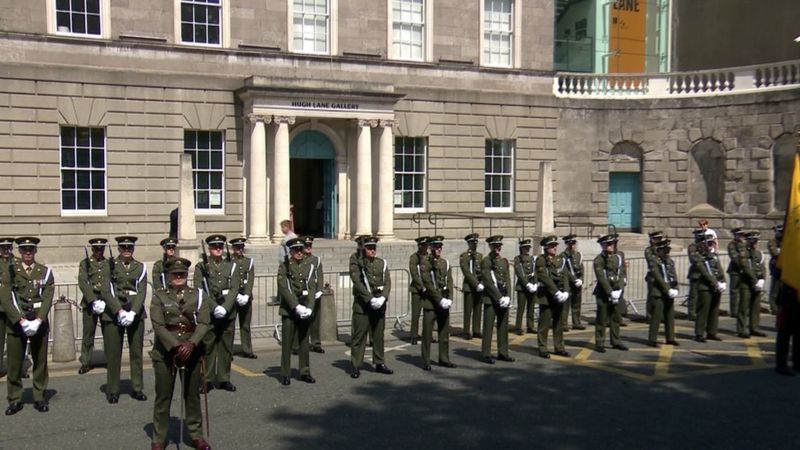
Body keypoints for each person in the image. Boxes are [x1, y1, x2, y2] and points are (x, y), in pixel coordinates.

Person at [149, 257, 211, 450]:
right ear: (168, 276)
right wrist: (176, 345)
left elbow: (204, 323)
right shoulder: (159, 296)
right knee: (163, 396)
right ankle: (159, 438)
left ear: (187, 275)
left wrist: (191, 344)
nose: (178, 277)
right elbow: (158, 326)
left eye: (182, 274)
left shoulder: (198, 295)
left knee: (192, 396)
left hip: (191, 351)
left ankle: (196, 436)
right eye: (175, 274)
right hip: (166, 353)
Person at [2, 237, 54, 415]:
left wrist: (39, 320)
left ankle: (39, 396)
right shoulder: (10, 271)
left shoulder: (44, 272)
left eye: (31, 249)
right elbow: (6, 298)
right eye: (24, 250)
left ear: (35, 251)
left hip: (38, 323)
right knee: (14, 364)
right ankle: (15, 398)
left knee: (40, 362)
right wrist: (20, 321)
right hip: (18, 324)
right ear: (20, 252)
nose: (28, 253)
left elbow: (47, 298)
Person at [195, 235, 241, 392]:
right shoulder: (201, 267)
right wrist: (215, 307)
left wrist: (226, 307)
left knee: (226, 347)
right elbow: (199, 290)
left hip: (228, 313)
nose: (218, 249)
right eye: (215, 247)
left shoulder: (232, 266)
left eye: (220, 246)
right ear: (209, 249)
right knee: (208, 347)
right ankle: (206, 380)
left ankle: (224, 378)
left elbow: (235, 288)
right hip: (210, 313)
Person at [106, 235, 148, 403]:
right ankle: (113, 389)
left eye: (129, 248)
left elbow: (142, 291)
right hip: (114, 314)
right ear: (118, 249)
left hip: (135, 314)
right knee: (114, 354)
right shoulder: (109, 266)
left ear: (133, 249)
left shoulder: (140, 267)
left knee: (136, 353)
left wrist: (133, 312)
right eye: (123, 248)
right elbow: (106, 290)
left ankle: (137, 387)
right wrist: (119, 311)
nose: (126, 251)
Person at [349, 236, 393, 378]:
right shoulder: (357, 261)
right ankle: (356, 365)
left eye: (374, 248)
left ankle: (379, 362)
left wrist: (383, 298)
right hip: (363, 305)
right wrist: (370, 299)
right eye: (369, 248)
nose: (373, 250)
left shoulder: (381, 263)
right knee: (359, 336)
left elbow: (387, 282)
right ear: (363, 249)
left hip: (379, 304)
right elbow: (357, 282)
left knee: (378, 335)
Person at [277, 238, 318, 385]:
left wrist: (310, 307)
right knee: (287, 343)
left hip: (305, 308)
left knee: (304, 343)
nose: (299, 253)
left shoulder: (310, 266)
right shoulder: (284, 267)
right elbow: (284, 288)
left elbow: (313, 288)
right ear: (291, 251)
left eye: (301, 249)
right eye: (296, 250)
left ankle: (304, 371)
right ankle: (285, 373)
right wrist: (296, 306)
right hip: (290, 310)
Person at [77, 238, 114, 375]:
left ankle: (111, 360)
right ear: (92, 249)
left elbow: (112, 281)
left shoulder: (109, 263)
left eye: (101, 249)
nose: (99, 252)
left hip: (106, 302)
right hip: (90, 303)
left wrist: (107, 299)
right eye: (96, 249)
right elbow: (83, 283)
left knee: (109, 333)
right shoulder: (85, 263)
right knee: (88, 334)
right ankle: (86, 362)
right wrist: (93, 300)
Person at [418, 236, 455, 371]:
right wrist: (439, 299)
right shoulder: (425, 262)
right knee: (427, 333)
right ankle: (426, 360)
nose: (438, 249)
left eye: (440, 247)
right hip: (431, 303)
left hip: (444, 302)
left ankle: (444, 358)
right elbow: (427, 282)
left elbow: (449, 281)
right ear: (431, 247)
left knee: (444, 333)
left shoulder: (445, 262)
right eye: (436, 246)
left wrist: (450, 298)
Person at [480, 235, 514, 364]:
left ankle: (503, 352)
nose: (497, 248)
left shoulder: (503, 261)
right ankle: (486, 353)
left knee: (503, 326)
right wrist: (499, 297)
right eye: (495, 246)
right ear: (490, 246)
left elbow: (507, 279)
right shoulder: (487, 261)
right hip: (491, 298)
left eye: (499, 246)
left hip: (503, 298)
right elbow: (488, 281)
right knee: (488, 326)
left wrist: (508, 297)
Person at [535, 235, 570, 358]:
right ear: (545, 247)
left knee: (558, 323)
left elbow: (565, 275)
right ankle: (542, 347)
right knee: (544, 324)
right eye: (552, 245)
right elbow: (544, 277)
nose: (555, 247)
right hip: (547, 296)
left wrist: (566, 291)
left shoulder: (560, 260)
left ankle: (559, 347)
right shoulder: (541, 260)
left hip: (559, 296)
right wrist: (555, 292)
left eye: (555, 245)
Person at [593, 234, 628, 352]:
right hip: (603, 292)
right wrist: (610, 292)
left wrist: (619, 289)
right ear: (602, 246)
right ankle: (600, 342)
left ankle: (616, 340)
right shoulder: (599, 259)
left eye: (612, 243)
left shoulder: (618, 257)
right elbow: (601, 277)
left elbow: (622, 273)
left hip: (616, 291)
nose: (611, 246)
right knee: (602, 319)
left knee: (615, 318)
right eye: (608, 244)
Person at [646, 239, 680, 347]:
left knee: (670, 316)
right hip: (658, 292)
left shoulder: (669, 261)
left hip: (669, 291)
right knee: (656, 317)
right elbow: (658, 277)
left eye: (668, 250)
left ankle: (670, 338)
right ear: (659, 251)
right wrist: (667, 289)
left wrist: (676, 288)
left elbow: (673, 275)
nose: (667, 253)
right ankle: (652, 339)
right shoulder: (654, 261)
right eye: (665, 251)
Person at [693, 234, 726, 342]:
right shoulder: (699, 257)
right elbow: (704, 272)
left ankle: (712, 332)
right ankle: (699, 333)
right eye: (709, 243)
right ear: (703, 245)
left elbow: (719, 269)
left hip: (716, 287)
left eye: (712, 243)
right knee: (703, 311)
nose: (711, 246)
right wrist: (716, 283)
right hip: (705, 287)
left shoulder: (714, 256)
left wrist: (723, 282)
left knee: (714, 310)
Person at [736, 231, 767, 338]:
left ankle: (754, 328)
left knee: (755, 307)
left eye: (756, 241)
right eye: (753, 241)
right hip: (746, 283)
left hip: (757, 283)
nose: (755, 243)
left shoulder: (759, 253)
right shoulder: (743, 253)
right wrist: (755, 281)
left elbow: (762, 268)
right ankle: (742, 329)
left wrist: (762, 279)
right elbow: (745, 268)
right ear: (748, 241)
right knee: (744, 307)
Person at [230, 237, 256, 359]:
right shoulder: (228, 262)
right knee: (230, 326)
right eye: (237, 248)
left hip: (246, 297)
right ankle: (228, 351)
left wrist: (246, 294)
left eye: (241, 248)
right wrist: (235, 295)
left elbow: (250, 279)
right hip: (233, 297)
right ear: (232, 249)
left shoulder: (249, 262)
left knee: (245, 325)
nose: (239, 250)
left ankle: (247, 349)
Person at [303, 236, 325, 354]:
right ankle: (300, 343)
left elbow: (319, 275)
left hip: (315, 293)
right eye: (306, 246)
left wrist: (320, 290)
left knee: (315, 319)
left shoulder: (316, 260)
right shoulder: (300, 260)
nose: (308, 248)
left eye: (310, 246)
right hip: (304, 294)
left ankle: (316, 342)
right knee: (302, 319)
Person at [459, 233, 484, 339]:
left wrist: (481, 282)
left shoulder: (479, 256)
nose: (474, 245)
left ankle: (476, 330)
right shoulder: (464, 256)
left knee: (478, 308)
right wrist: (475, 283)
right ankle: (466, 331)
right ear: (468, 243)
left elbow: (481, 270)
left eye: (475, 243)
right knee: (468, 310)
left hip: (479, 285)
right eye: (472, 243)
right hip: (469, 286)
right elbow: (466, 271)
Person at [0, 237, 17, 378]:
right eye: (3, 248)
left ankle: (17, 368)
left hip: (14, 307)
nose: (6, 251)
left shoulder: (16, 262)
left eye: (8, 248)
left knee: (15, 341)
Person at [561, 234, 586, 330]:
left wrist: (581, 280)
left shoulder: (578, 255)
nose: (572, 246)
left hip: (577, 283)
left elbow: (581, 269)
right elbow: (564, 270)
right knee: (565, 305)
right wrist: (574, 279)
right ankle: (563, 324)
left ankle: (576, 322)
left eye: (573, 243)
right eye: (569, 244)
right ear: (566, 244)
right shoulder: (563, 256)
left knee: (576, 304)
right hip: (567, 284)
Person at [408, 236, 429, 345]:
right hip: (417, 289)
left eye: (426, 246)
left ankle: (427, 334)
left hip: (429, 290)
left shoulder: (429, 257)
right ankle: (414, 335)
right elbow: (414, 273)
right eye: (423, 246)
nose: (425, 248)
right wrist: (422, 286)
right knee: (416, 314)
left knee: (428, 314)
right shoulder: (414, 257)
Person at [775, 282, 800, 376]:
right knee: (784, 333)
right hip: (787, 299)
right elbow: (778, 272)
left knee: (798, 334)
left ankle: (797, 363)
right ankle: (781, 364)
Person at [513, 238, 536, 336]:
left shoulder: (532, 259)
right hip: (522, 286)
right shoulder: (518, 259)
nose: (527, 250)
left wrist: (535, 283)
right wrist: (527, 284)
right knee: (521, 308)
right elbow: (519, 273)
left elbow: (535, 272)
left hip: (532, 285)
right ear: (521, 249)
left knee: (531, 307)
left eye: (528, 248)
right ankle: (518, 327)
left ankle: (530, 326)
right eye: (525, 248)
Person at [685, 229, 707, 321]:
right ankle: (692, 313)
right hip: (695, 273)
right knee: (693, 295)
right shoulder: (693, 247)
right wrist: (703, 257)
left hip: (704, 273)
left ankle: (700, 311)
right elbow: (694, 260)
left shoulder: (705, 246)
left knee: (702, 294)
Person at [726, 227, 747, 317]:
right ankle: (734, 311)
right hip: (735, 270)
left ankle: (743, 309)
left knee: (744, 291)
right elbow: (734, 258)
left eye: (742, 235)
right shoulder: (732, 245)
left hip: (744, 270)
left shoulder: (744, 244)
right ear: (735, 235)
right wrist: (743, 267)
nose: (742, 236)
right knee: (734, 291)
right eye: (740, 235)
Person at [767, 225, 783, 315]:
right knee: (775, 288)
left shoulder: (785, 242)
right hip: (776, 267)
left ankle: (780, 306)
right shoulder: (772, 242)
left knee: (782, 288)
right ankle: (773, 306)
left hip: (784, 267)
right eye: (779, 232)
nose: (780, 233)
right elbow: (775, 253)